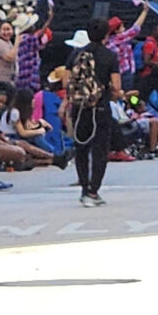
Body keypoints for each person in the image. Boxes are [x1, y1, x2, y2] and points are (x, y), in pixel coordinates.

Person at [64, 17, 121, 206]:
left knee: (81, 148)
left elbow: (66, 82)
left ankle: (83, 188)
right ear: (106, 34)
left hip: (79, 108)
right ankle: (93, 191)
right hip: (101, 107)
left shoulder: (75, 55)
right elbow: (116, 86)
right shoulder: (110, 56)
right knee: (100, 150)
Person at [106, 3, 149, 93]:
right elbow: (135, 29)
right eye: (122, 26)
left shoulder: (110, 40)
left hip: (118, 72)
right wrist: (145, 11)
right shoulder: (119, 38)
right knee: (127, 93)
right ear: (116, 30)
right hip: (124, 71)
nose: (124, 28)